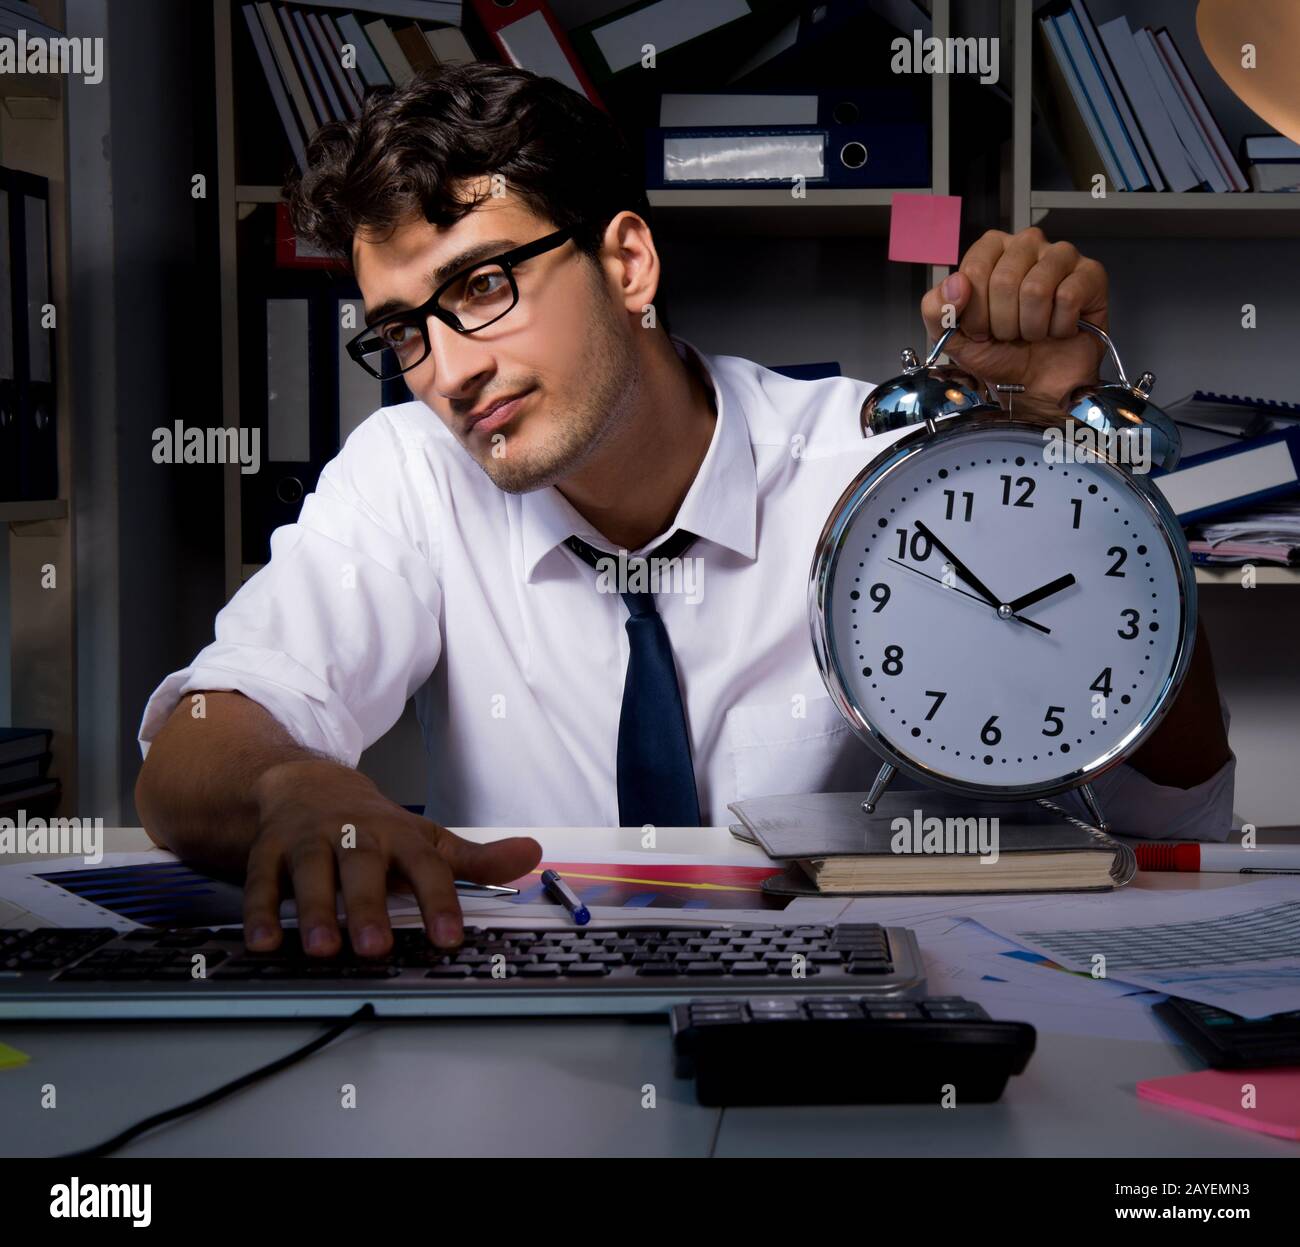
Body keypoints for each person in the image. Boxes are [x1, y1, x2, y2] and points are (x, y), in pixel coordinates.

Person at [136, 64, 1234, 959]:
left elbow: (1166, 802)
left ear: (626, 261)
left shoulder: (894, 467)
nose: (448, 371)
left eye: (481, 287)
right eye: (403, 331)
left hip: (863, 1016)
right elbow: (197, 743)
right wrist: (295, 782)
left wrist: (1071, 473)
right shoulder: (412, 470)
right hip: (535, 1042)